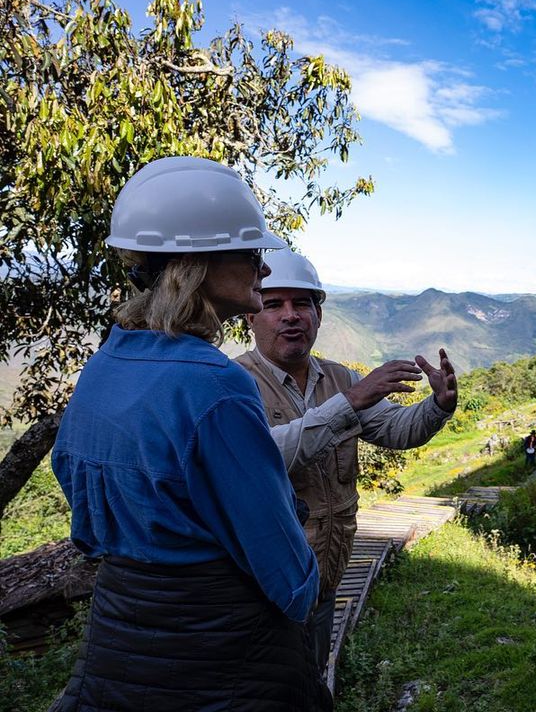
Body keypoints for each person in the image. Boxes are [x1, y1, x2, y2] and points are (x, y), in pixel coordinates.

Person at [50, 157, 330, 711]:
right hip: (223, 660)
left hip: (118, 641)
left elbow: (87, 526)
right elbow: (292, 583)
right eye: (251, 254)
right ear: (200, 262)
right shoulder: (216, 386)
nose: (263, 270)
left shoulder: (104, 364)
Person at [234, 248, 456, 673]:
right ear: (250, 316)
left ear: (319, 315)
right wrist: (350, 402)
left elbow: (395, 429)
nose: (290, 315)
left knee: (313, 680)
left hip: (325, 578)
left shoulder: (339, 377)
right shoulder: (234, 383)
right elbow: (261, 458)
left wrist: (437, 406)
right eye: (274, 303)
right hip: (263, 590)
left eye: (302, 303)